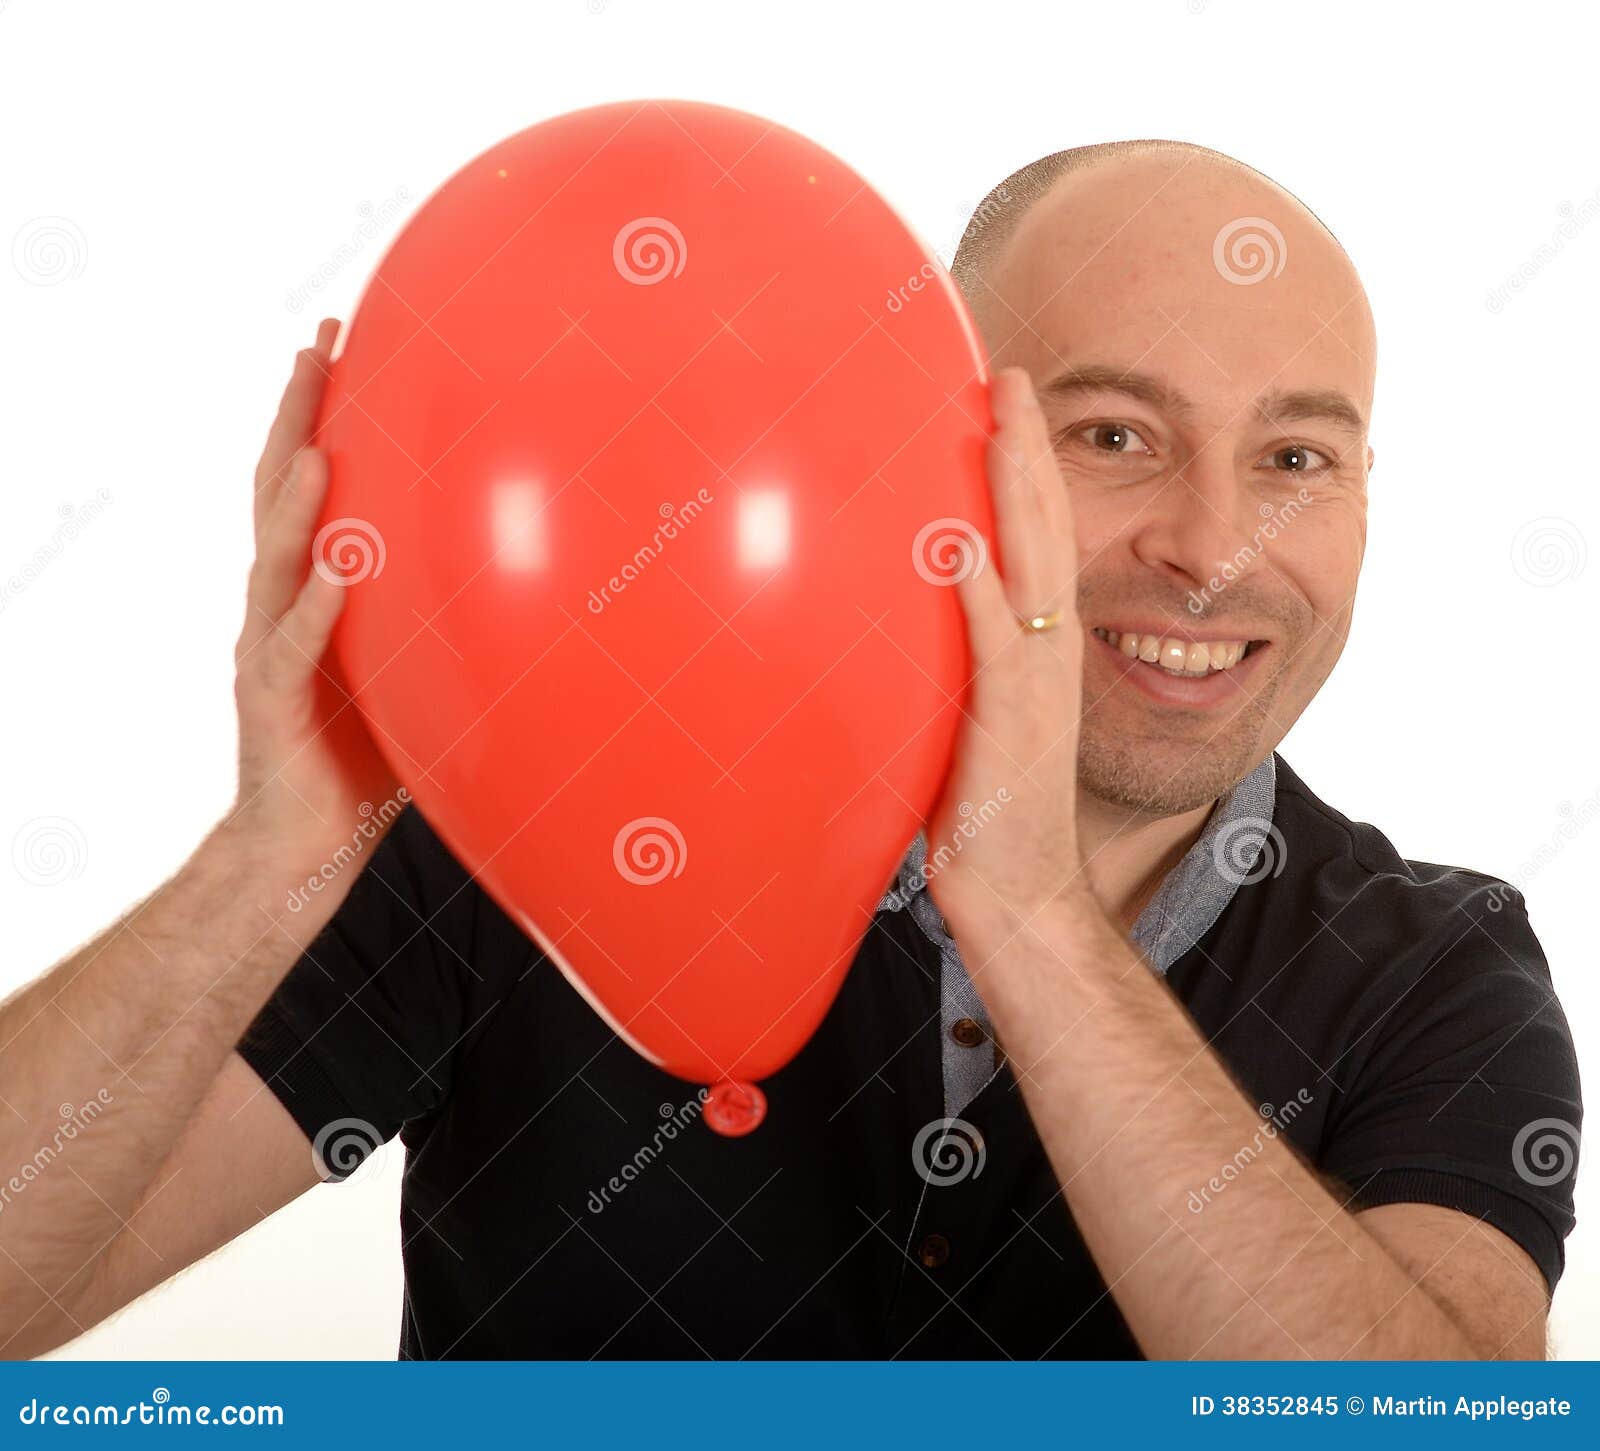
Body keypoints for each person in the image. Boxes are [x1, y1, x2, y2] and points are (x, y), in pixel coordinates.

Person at [0, 140, 1580, 1361]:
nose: (1216, 547)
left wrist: (1025, 916)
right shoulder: (535, 835)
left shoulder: (1441, 965)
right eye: (1113, 436)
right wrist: (267, 862)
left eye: (1298, 457)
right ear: (937, 451)